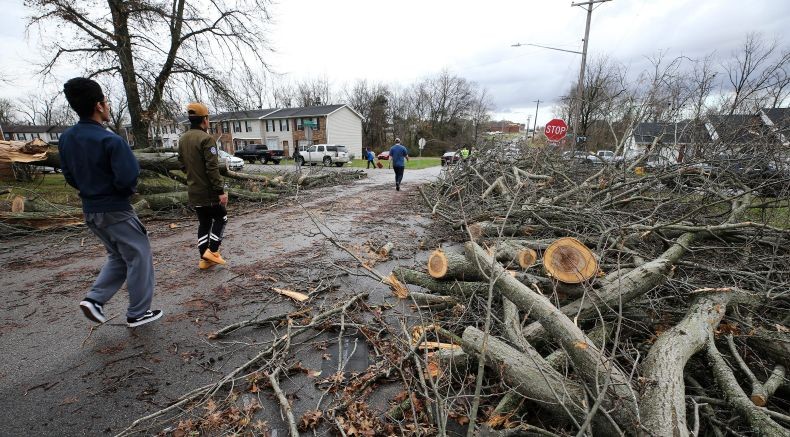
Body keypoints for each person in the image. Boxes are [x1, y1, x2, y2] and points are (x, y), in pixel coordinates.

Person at [59, 77, 162, 328]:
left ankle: (94, 299)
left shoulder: (67, 139)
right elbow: (127, 177)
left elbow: (70, 176)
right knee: (139, 256)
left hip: (91, 211)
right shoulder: (111, 140)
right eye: (106, 101)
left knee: (118, 257)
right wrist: (121, 192)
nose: (108, 105)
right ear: (98, 106)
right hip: (116, 209)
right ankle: (138, 313)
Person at [178, 103, 229, 270]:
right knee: (221, 218)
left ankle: (204, 260)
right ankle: (213, 252)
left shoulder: (183, 139)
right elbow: (212, 168)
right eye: (208, 119)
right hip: (208, 192)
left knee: (204, 223)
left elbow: (181, 164)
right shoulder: (207, 139)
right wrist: (220, 191)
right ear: (205, 120)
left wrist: (193, 176)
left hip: (193, 190)